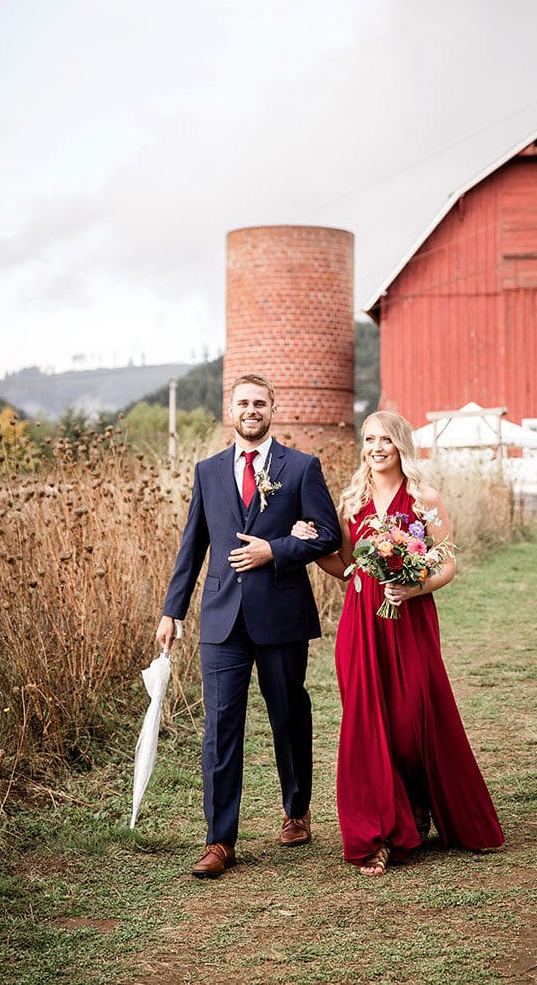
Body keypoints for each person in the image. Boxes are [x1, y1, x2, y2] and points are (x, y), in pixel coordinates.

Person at [292, 411, 504, 876]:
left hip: (411, 619)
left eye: (386, 438)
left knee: (411, 720)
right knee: (368, 726)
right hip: (362, 621)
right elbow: (345, 563)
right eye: (370, 439)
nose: (377, 446)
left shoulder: (424, 498)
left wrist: (413, 587)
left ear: (401, 444)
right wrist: (307, 545)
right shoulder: (352, 501)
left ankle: (422, 802)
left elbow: (446, 565)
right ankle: (379, 834)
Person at [155, 374, 341, 878]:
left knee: (288, 714)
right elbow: (193, 545)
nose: (251, 410)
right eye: (243, 403)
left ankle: (296, 810)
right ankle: (220, 840)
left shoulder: (301, 468)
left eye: (260, 402)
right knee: (219, 727)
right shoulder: (208, 471)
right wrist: (173, 609)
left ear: (272, 409)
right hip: (221, 617)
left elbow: (328, 536)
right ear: (230, 410)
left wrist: (275, 549)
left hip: (281, 613)